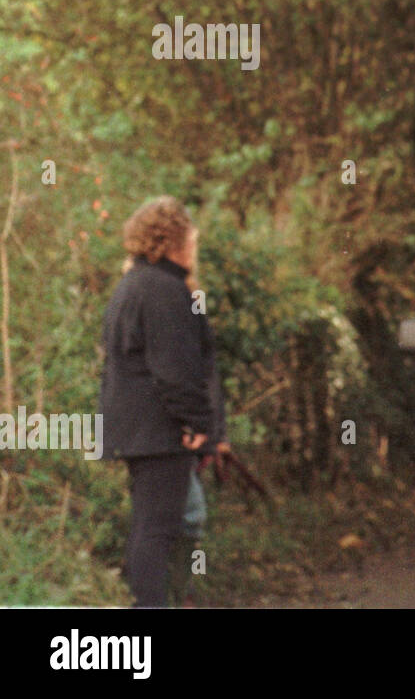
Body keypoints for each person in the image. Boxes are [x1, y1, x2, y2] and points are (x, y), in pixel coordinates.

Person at [100, 196, 228, 607]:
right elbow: (174, 370)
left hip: (136, 430)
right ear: (173, 240)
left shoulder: (133, 284)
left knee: (151, 529)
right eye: (191, 238)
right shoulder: (164, 290)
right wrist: (199, 424)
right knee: (156, 532)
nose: (194, 246)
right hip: (158, 433)